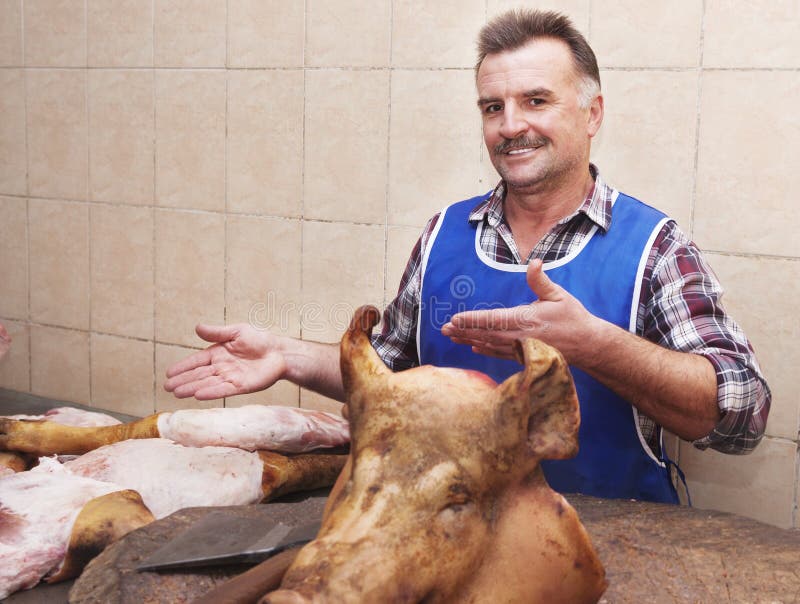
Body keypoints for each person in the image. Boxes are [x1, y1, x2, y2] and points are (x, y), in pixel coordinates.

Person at [165, 10, 770, 504]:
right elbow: (388, 375)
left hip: (612, 557)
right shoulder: (443, 236)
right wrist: (289, 355)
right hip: (454, 544)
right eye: (492, 107)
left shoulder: (654, 248)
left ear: (592, 114)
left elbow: (742, 413)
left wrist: (594, 346)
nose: (512, 126)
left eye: (537, 100)